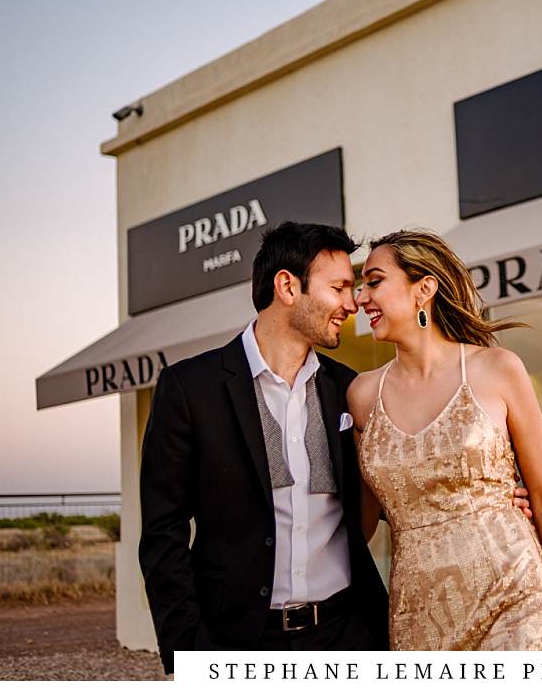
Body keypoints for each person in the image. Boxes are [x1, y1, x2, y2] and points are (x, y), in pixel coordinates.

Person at [138, 221, 386, 672]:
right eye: (338, 288)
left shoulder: (347, 389)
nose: (352, 304)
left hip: (347, 636)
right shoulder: (190, 389)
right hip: (238, 644)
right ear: (287, 287)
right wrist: (189, 652)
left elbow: (394, 490)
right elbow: (162, 532)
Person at [348, 229, 542, 651]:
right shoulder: (363, 395)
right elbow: (361, 522)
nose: (361, 298)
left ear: (424, 289)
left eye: (375, 282)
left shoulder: (498, 369)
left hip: (517, 599)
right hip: (418, 616)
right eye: (360, 286)